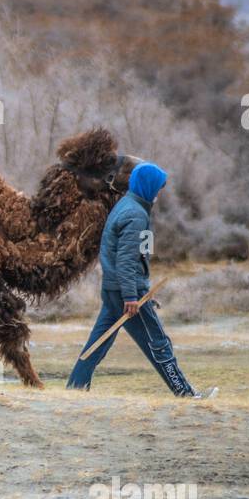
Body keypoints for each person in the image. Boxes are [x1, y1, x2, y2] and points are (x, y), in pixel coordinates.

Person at [66, 162, 216, 398]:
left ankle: (74, 390)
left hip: (117, 289)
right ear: (147, 186)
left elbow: (135, 257)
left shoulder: (129, 206)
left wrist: (140, 287)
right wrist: (131, 296)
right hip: (126, 293)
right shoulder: (135, 214)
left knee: (98, 344)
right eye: (157, 188)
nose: (158, 194)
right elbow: (126, 260)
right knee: (158, 343)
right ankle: (185, 394)